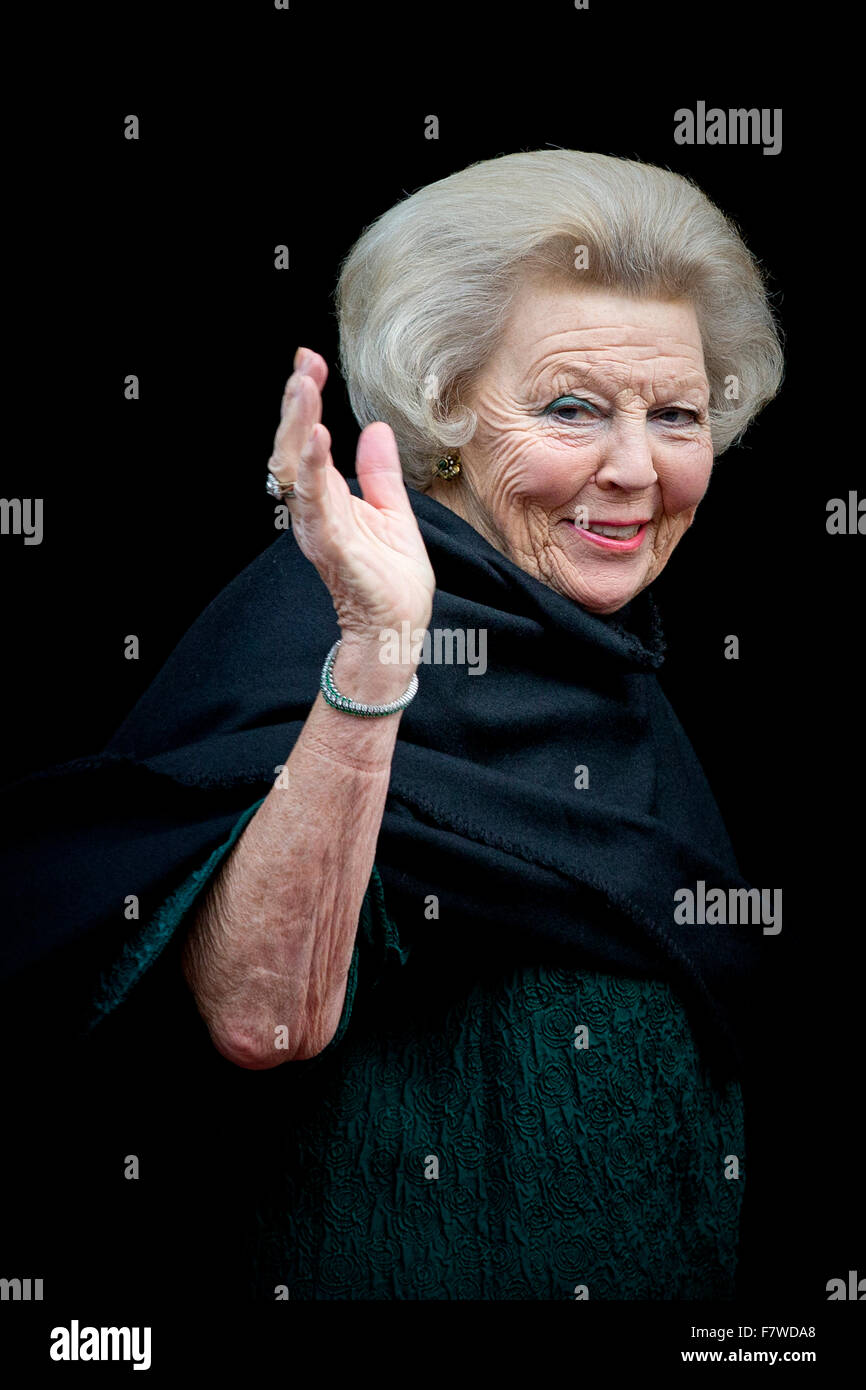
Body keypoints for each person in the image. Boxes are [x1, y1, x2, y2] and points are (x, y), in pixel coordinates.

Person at [1, 148, 783, 1300]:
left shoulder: (607, 664)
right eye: (570, 406)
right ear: (442, 405)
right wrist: (376, 654)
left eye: (674, 414)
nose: (633, 467)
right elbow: (262, 1018)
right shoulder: (319, 621)